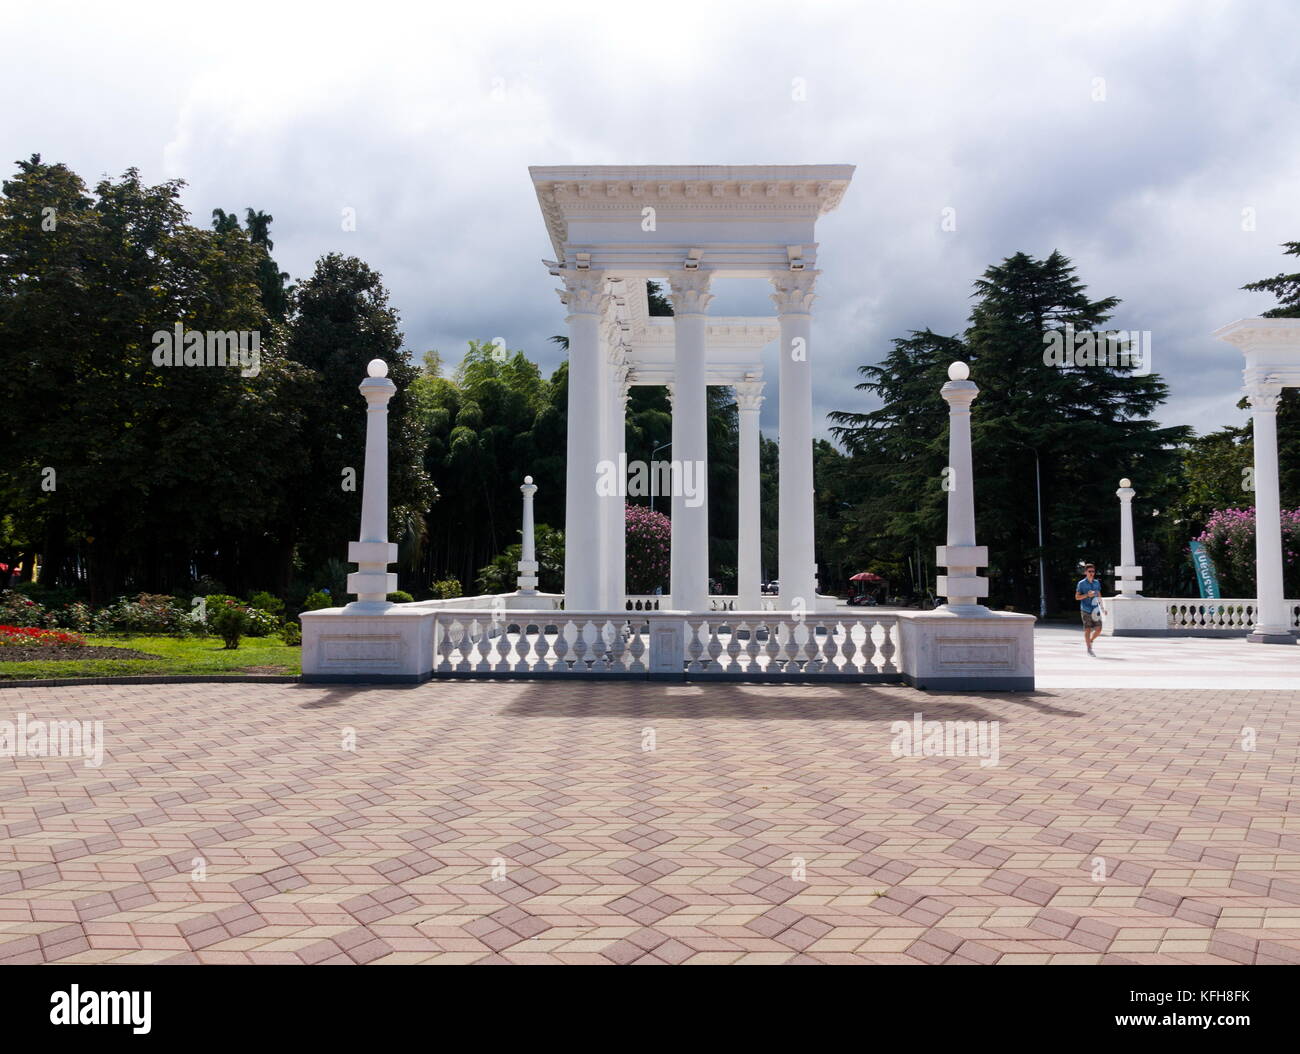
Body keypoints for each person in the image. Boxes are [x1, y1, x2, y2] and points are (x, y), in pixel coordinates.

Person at [1075, 563, 1104, 655]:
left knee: (1099, 629)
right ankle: (1089, 649)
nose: (1091, 573)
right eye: (1089, 571)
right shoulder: (1081, 583)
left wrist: (1102, 606)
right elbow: (1077, 597)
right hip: (1085, 609)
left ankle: (1090, 640)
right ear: (1085, 572)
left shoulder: (1096, 582)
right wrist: (1087, 595)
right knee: (1087, 629)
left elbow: (1099, 594)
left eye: (1093, 571)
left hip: (1095, 609)